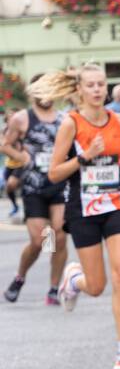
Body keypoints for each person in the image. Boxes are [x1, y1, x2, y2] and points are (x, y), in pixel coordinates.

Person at [38, 64, 120, 369]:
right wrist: (84, 157)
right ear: (80, 90)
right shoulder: (71, 124)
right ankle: (74, 279)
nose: (98, 90)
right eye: (91, 85)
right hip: (83, 209)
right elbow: (55, 172)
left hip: (115, 204)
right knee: (97, 286)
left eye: (102, 84)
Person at [2, 86, 69, 305]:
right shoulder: (22, 119)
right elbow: (5, 144)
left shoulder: (64, 118)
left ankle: (53, 289)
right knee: (41, 240)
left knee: (58, 236)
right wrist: (23, 159)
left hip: (59, 184)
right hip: (34, 187)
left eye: (51, 92)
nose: (47, 96)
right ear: (33, 94)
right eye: (42, 92)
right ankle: (20, 277)